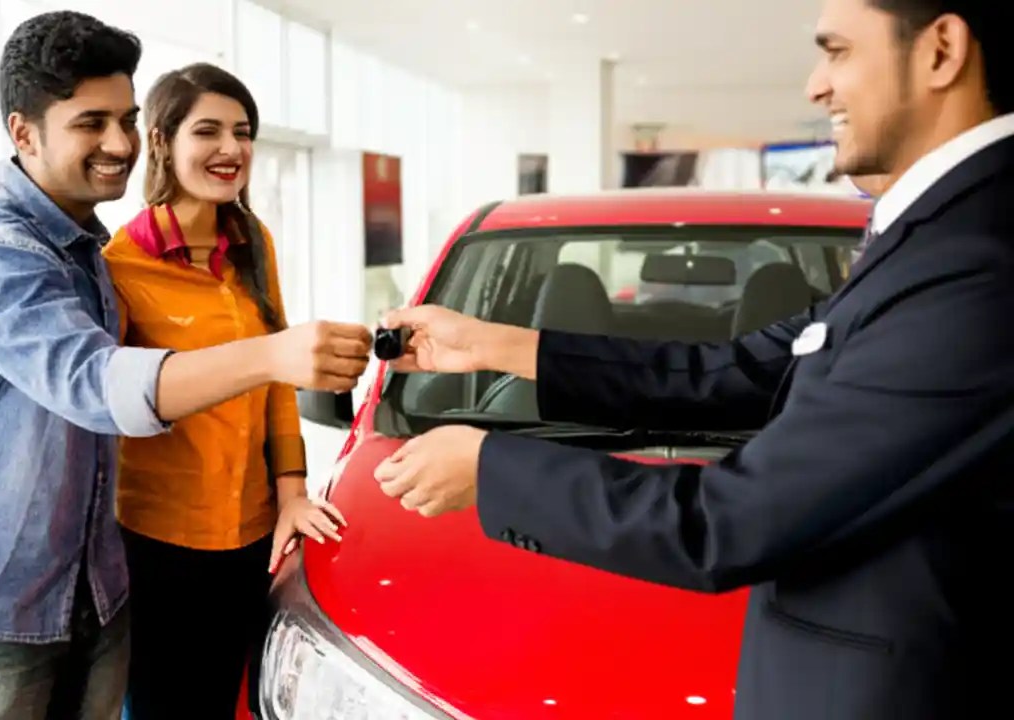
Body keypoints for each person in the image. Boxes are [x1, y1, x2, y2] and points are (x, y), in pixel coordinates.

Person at [373, 1, 1014, 718]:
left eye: (836, 51)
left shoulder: (978, 260)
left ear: (942, 50)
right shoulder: (943, 234)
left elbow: (731, 520)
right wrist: (498, 346)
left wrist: (490, 466)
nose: (815, 85)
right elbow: (733, 372)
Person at [0, 12, 370, 719]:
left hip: (99, 582)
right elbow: (97, 384)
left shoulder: (90, 248)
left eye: (124, 118)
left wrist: (289, 487)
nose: (117, 143)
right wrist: (273, 354)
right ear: (23, 133)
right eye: (92, 122)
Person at [98, 62, 350, 719]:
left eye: (243, 132)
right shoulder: (121, 267)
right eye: (207, 130)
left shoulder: (253, 243)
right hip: (158, 545)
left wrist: (293, 492)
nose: (231, 149)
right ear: (161, 140)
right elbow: (111, 405)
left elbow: (277, 380)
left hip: (252, 536)